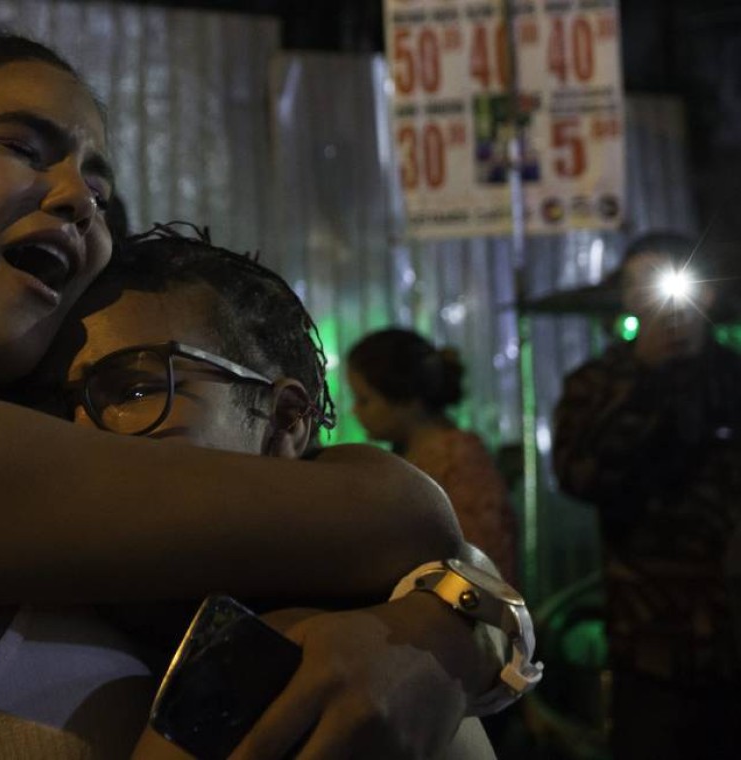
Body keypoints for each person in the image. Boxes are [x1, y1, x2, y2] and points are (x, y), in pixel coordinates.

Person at [0, 35, 505, 760]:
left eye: (97, 187)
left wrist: (448, 625)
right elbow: (399, 513)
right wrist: (442, 624)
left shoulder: (50, 509)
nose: (78, 197)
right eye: (22, 148)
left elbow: (432, 552)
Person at [35, 225, 530, 758]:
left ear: (287, 421)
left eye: (135, 389)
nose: (78, 435)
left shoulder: (354, 672)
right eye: (59, 407)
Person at [552, 231, 741, 758]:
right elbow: (578, 476)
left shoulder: (733, 376)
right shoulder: (598, 383)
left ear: (705, 291)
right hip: (649, 638)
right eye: (640, 285)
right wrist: (644, 382)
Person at [346, 328, 520, 583]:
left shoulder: (457, 462)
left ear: (405, 399)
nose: (355, 411)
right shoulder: (415, 455)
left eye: (364, 399)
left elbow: (478, 565)